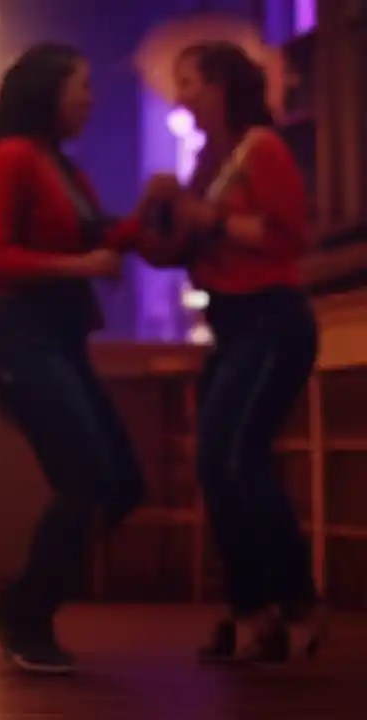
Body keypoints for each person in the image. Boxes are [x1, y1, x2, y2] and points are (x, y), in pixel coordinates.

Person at [0, 43, 153, 674]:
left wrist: (157, 212)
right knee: (88, 479)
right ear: (48, 92)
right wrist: (85, 265)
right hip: (22, 341)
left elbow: (107, 235)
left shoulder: (62, 167)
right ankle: (25, 614)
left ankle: (28, 606)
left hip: (61, 343)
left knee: (121, 484)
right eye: (83, 87)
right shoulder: (13, 159)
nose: (91, 100)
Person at [138, 42, 324, 663]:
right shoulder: (214, 163)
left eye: (188, 81)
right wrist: (162, 210)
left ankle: (288, 607)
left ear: (219, 85)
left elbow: (284, 234)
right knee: (222, 464)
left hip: (271, 317)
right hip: (236, 323)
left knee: (235, 458)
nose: (181, 95)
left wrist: (199, 214)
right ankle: (256, 612)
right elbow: (175, 251)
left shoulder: (260, 151)